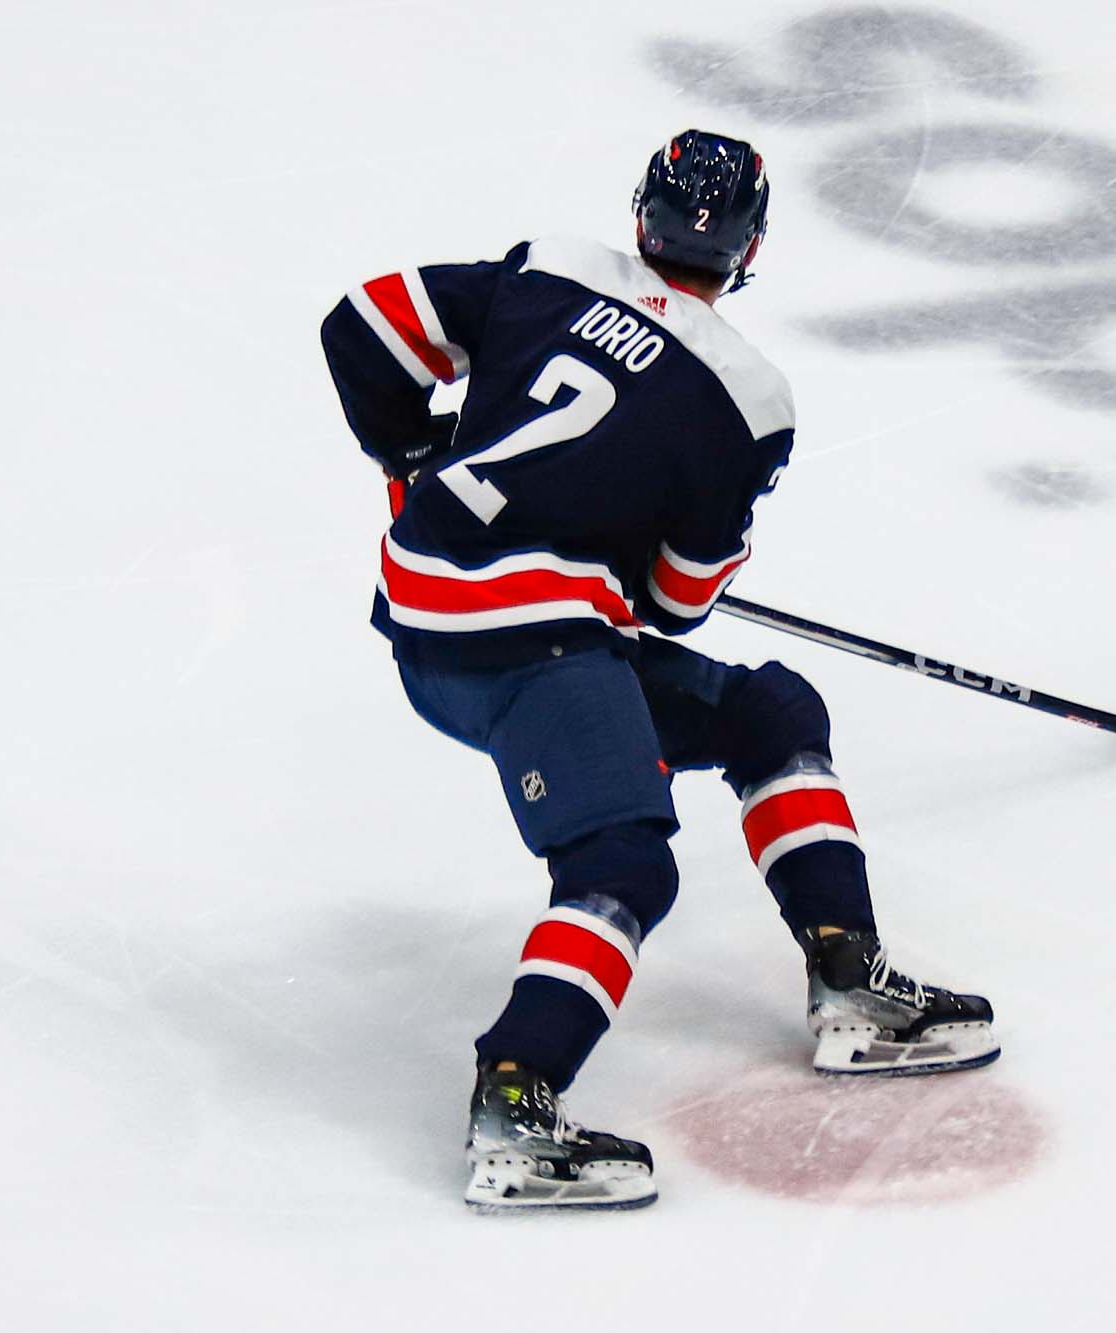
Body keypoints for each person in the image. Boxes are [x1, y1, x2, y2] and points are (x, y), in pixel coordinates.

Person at [319, 130, 998, 1212]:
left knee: (769, 711)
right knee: (623, 865)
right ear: (748, 246)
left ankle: (846, 976)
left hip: (427, 618)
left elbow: (366, 325)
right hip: (531, 644)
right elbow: (675, 603)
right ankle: (516, 1097)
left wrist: (410, 455)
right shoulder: (747, 401)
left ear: (642, 212)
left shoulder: (551, 268)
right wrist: (617, 537)